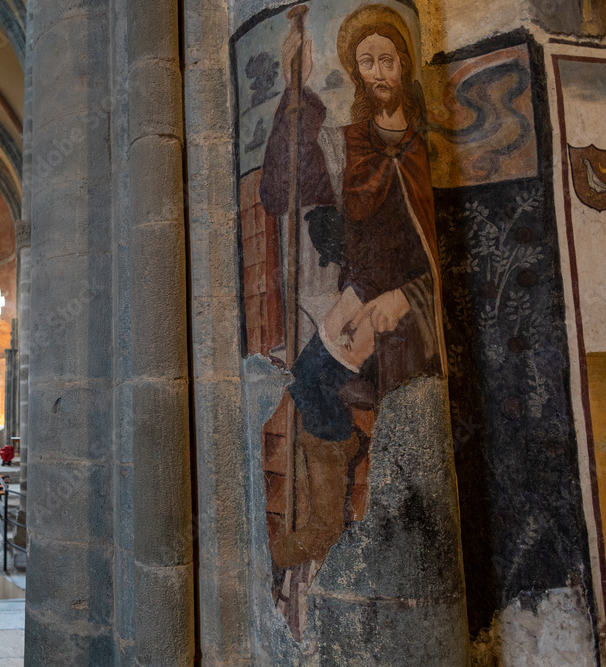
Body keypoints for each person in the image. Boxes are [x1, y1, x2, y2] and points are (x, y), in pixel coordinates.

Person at [257, 7, 441, 637]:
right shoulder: (352, 139)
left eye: (389, 60)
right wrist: (293, 90)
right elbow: (286, 187)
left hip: (411, 301)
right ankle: (322, 526)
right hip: (362, 290)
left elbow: (438, 247)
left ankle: (354, 513)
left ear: (406, 64)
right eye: (367, 62)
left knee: (380, 395)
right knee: (309, 381)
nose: (379, 72)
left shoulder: (425, 144)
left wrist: (411, 295)